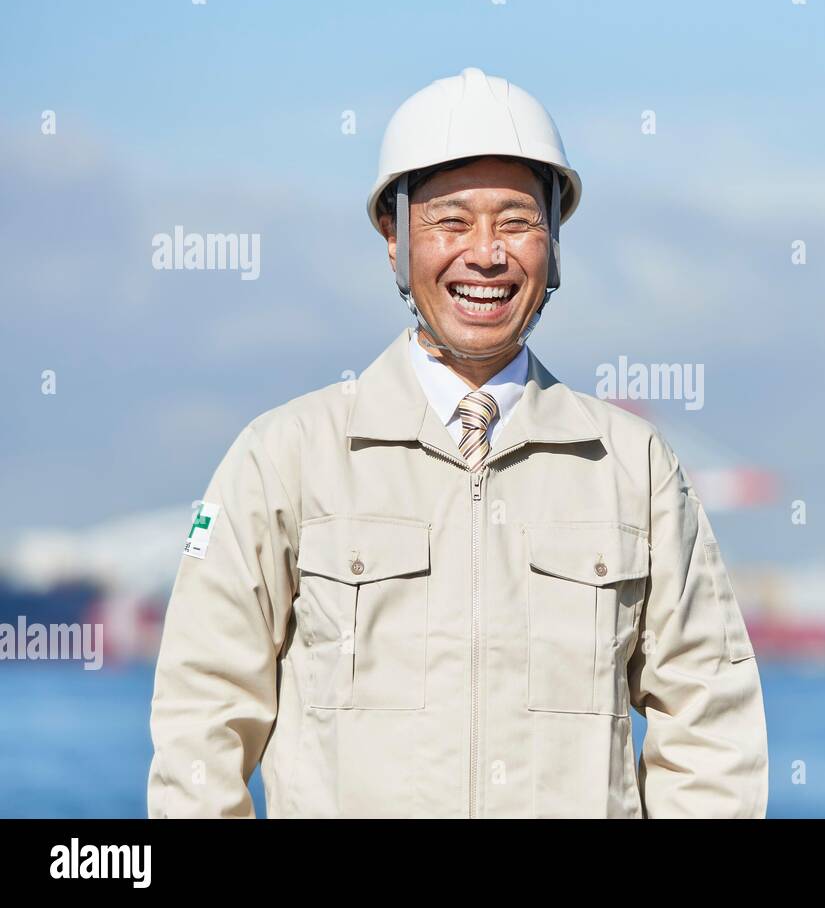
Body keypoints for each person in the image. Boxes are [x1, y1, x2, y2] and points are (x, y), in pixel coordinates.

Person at [146, 67, 768, 818]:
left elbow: (712, 735)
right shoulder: (284, 457)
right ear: (394, 236)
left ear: (555, 243)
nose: (486, 254)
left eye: (516, 221)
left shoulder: (633, 466)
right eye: (450, 221)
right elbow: (199, 726)